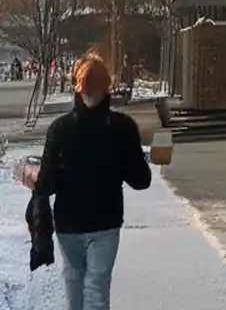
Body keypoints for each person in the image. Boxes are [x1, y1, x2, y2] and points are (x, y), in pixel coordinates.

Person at [33, 54, 151, 309]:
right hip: (105, 223)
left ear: (76, 84)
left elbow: (46, 184)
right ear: (107, 86)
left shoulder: (59, 129)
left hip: (68, 224)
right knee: (97, 288)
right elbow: (141, 180)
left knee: (74, 284)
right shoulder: (122, 127)